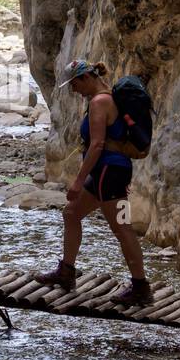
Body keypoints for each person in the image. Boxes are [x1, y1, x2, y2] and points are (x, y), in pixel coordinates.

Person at [35, 59, 151, 305]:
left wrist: (77, 181)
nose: (73, 90)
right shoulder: (104, 98)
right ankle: (66, 272)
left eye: (75, 84)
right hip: (107, 174)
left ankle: (141, 287)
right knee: (71, 213)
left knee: (122, 229)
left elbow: (97, 144)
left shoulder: (100, 102)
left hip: (109, 175)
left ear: (87, 78)